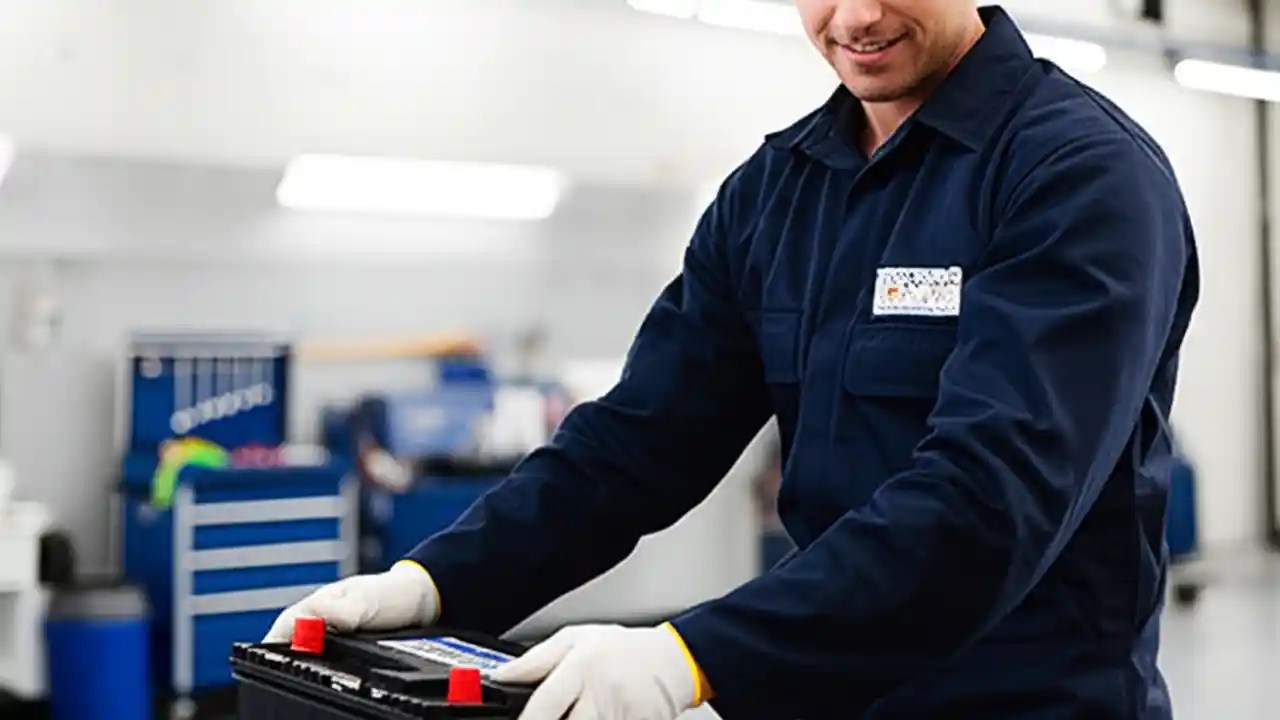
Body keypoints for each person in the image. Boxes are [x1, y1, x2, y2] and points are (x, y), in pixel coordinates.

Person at [266, 2, 1199, 718]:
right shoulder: (775, 195)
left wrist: (690, 656)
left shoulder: (1078, 176)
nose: (858, 18)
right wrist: (430, 585)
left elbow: (991, 502)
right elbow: (634, 444)